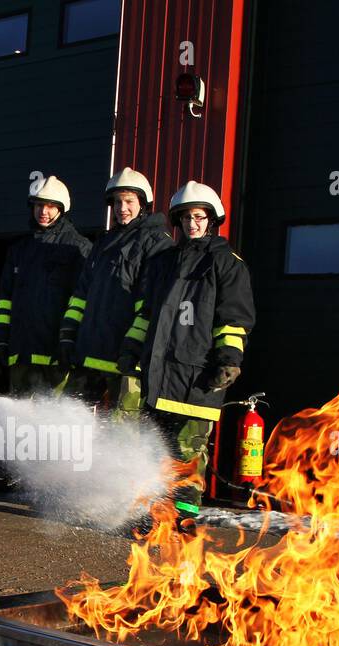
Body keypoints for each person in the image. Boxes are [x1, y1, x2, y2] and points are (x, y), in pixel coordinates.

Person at [117, 181, 254, 520]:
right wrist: (131, 349)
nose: (193, 224)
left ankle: (185, 514)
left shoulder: (225, 263)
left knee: (190, 447)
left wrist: (229, 359)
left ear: (211, 220)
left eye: (199, 217)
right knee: (155, 443)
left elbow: (233, 319)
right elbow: (146, 314)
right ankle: (156, 510)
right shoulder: (163, 262)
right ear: (177, 222)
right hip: (158, 372)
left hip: (197, 374)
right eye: (187, 218)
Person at [0, 175, 90, 492]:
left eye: (49, 206)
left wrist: (70, 342)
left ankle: (54, 478)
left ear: (62, 208)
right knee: (18, 416)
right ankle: (16, 473)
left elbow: (83, 301)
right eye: (38, 206)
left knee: (56, 419)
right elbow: (4, 301)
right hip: (21, 347)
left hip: (57, 350)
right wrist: (1, 340)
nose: (43, 212)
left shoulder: (79, 249)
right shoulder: (20, 249)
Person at [58, 167, 173, 413]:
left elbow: (150, 303)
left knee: (122, 434)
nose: (122, 208)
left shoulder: (156, 244)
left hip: (127, 359)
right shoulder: (102, 244)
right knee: (69, 422)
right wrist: (68, 335)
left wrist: (133, 347)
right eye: (118, 202)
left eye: (129, 201)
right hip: (90, 352)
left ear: (142, 203)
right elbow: (81, 295)